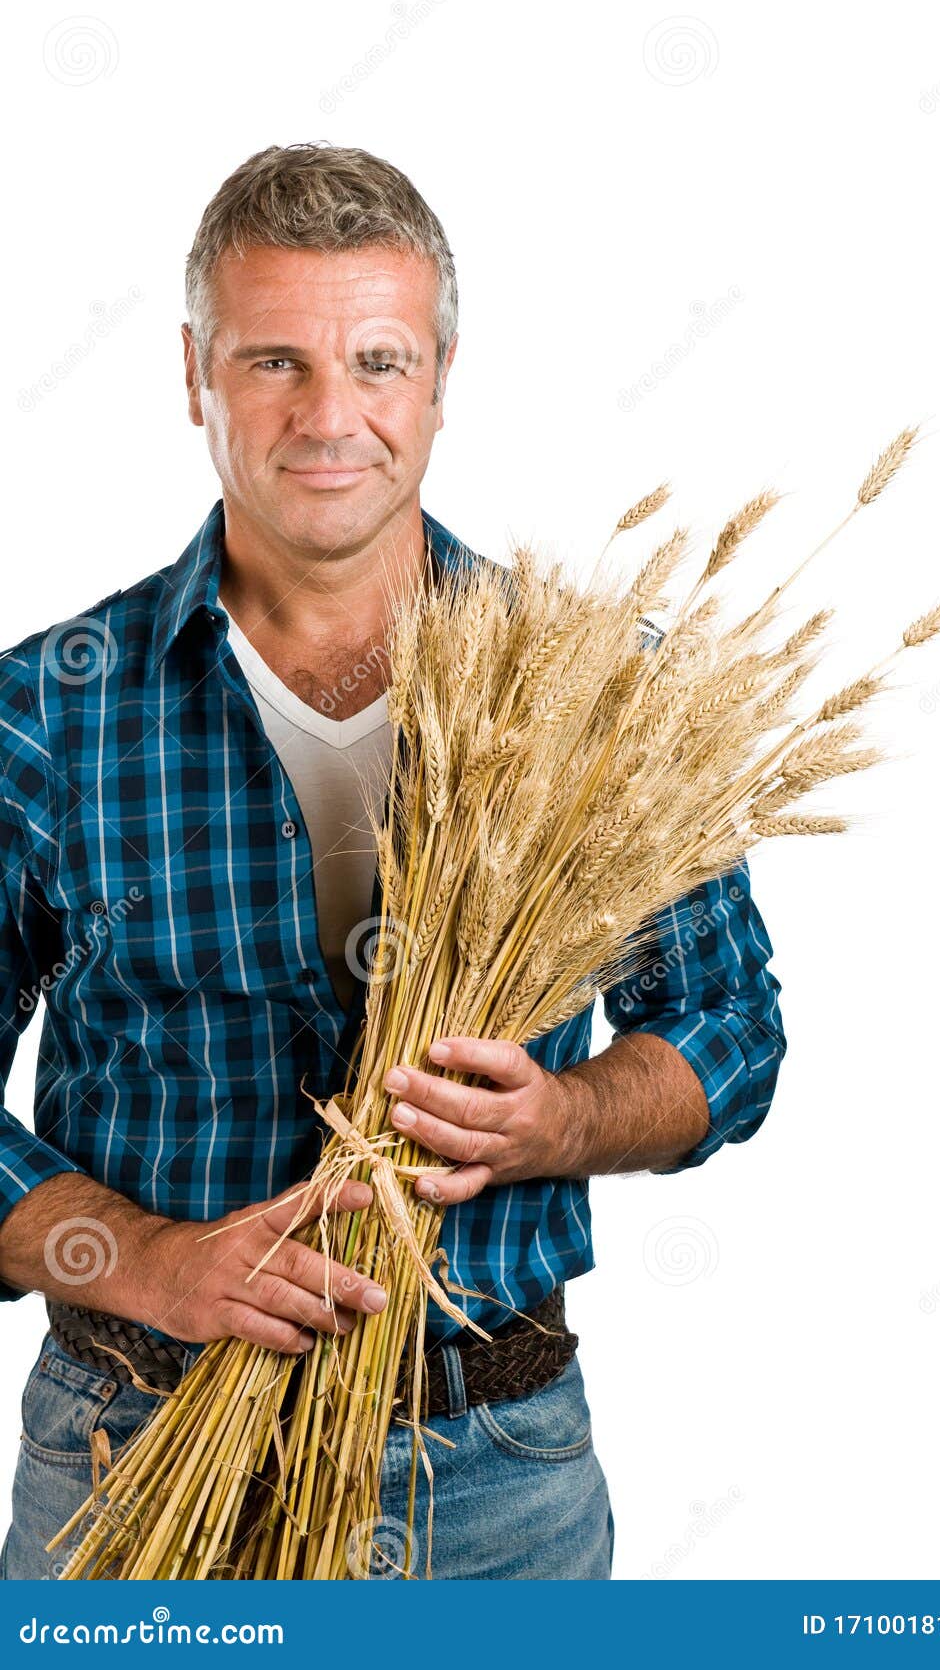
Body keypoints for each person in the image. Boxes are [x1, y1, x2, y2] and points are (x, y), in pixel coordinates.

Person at [0, 144, 786, 1580]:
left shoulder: (605, 688)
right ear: (194, 372)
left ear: (439, 374)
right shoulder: (46, 712)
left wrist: (565, 1118)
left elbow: (728, 1031)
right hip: (130, 1457)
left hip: (491, 1472)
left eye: (376, 359)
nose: (330, 414)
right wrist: (151, 1260)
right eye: (274, 362)